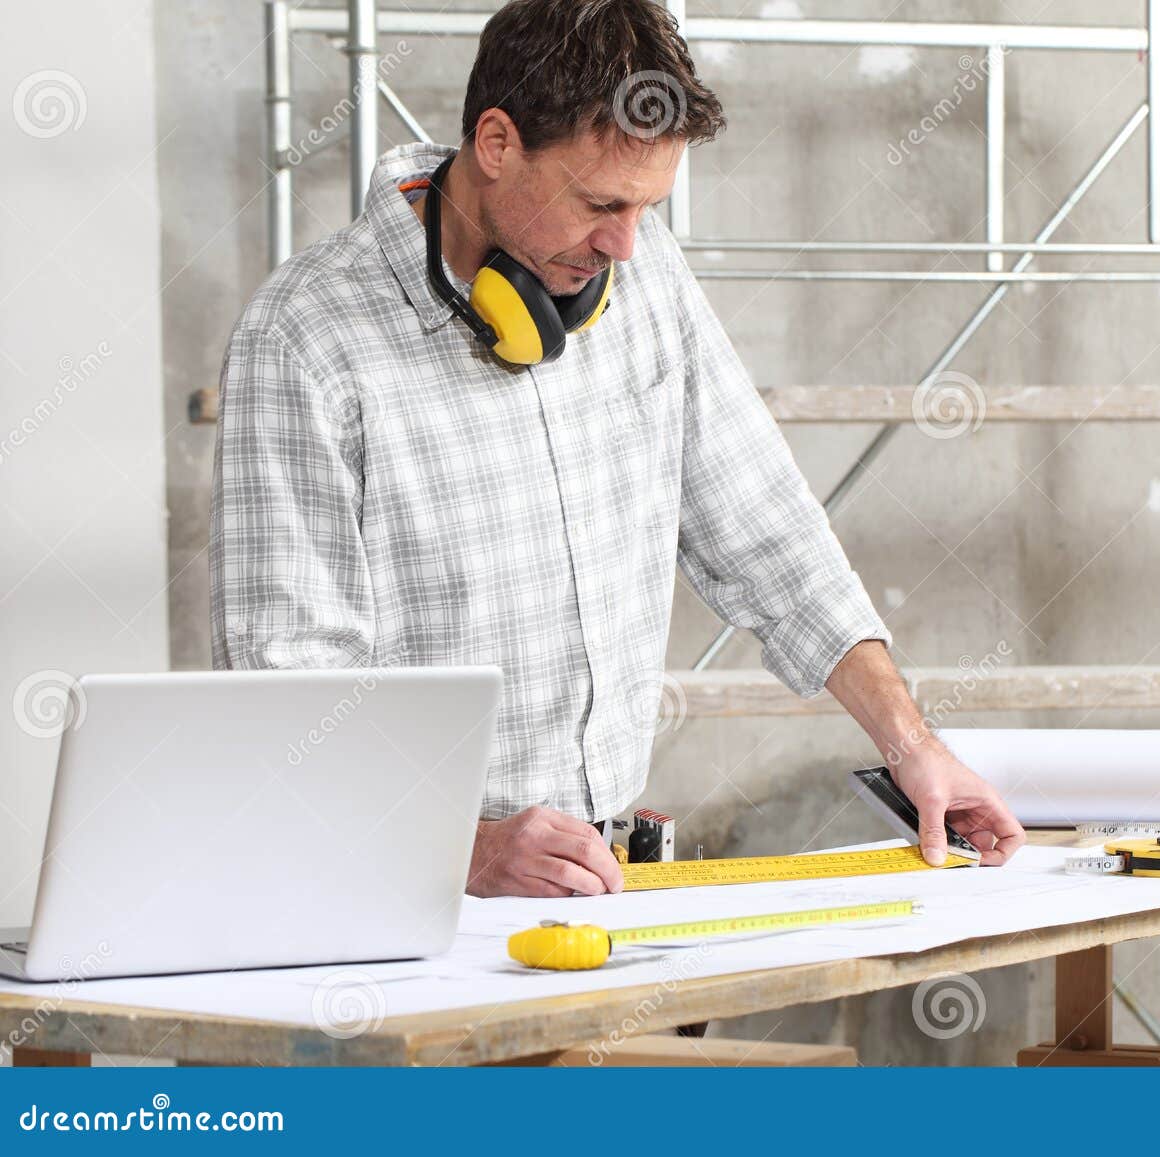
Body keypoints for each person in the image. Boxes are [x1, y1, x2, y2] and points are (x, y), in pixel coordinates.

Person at [209, 0, 1023, 898]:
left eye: (647, 208)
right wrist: (469, 847)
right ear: (496, 142)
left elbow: (770, 534)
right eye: (601, 203)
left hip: (597, 881)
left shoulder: (643, 277)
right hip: (394, 895)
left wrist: (914, 747)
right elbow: (290, 695)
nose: (626, 246)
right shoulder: (305, 336)